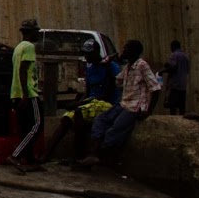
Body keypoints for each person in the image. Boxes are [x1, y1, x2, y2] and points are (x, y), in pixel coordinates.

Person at [79, 40, 163, 168]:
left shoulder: (142, 65)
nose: (122, 51)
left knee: (115, 130)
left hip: (135, 107)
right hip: (123, 104)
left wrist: (148, 111)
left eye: (125, 49)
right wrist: (109, 64)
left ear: (133, 52)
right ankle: (93, 154)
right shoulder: (128, 67)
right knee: (100, 120)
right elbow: (117, 82)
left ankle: (103, 157)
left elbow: (155, 88)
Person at [44, 41, 118, 162]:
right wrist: (79, 101)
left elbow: (107, 94)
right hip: (91, 102)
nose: (86, 57)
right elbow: (88, 91)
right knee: (66, 119)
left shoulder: (110, 67)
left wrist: (80, 104)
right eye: (85, 54)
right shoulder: (90, 68)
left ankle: (77, 155)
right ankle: (47, 154)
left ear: (96, 52)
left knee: (79, 113)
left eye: (89, 54)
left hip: (106, 103)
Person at [8, 19, 44, 170]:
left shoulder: (19, 47)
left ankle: (29, 159)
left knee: (25, 127)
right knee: (37, 125)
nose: (38, 34)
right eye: (36, 31)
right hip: (29, 92)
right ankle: (16, 155)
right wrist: (26, 93)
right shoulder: (29, 47)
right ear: (31, 32)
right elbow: (23, 70)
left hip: (15, 92)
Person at [161, 40, 190, 113]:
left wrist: (163, 71)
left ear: (173, 47)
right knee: (181, 107)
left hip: (174, 85)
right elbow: (187, 70)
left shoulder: (174, 55)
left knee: (172, 105)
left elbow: (173, 68)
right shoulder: (185, 56)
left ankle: (173, 121)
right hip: (183, 85)